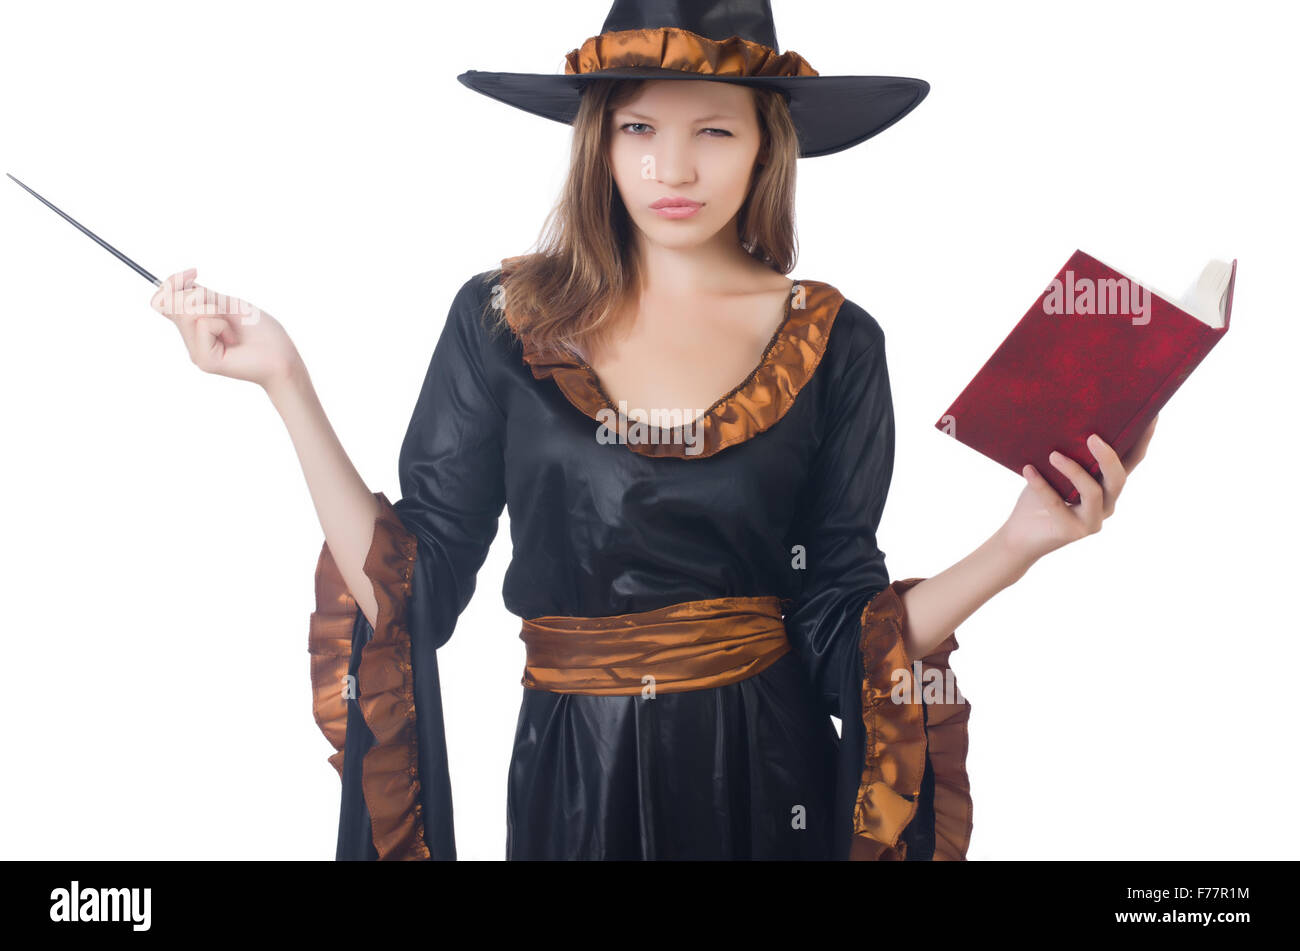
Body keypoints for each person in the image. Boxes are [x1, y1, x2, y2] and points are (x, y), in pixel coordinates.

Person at [148, 0, 1158, 860]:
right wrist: (284, 381)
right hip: (569, 783)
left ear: (766, 143)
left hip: (768, 782)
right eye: (638, 127)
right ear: (599, 139)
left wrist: (1020, 542)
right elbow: (409, 590)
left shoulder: (837, 343)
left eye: (713, 131)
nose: (673, 166)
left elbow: (840, 631)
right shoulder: (499, 321)